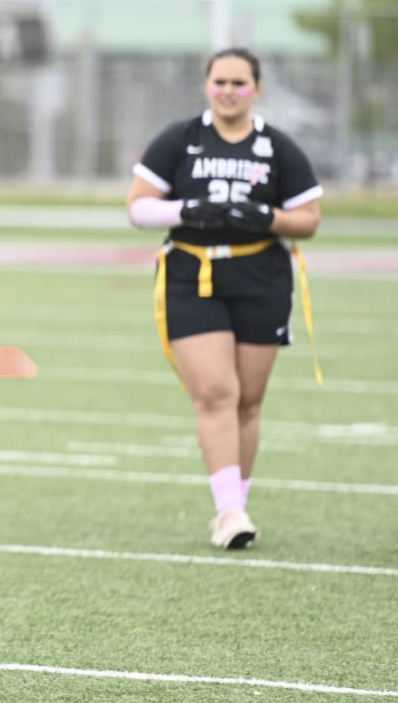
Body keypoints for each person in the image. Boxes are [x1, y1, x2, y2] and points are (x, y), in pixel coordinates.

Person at [125, 47, 322, 550]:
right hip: (193, 273)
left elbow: (309, 218)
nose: (229, 91)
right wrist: (190, 209)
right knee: (216, 392)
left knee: (249, 401)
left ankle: (236, 502)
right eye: (220, 82)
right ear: (206, 85)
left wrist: (265, 218)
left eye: (239, 83)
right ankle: (229, 511)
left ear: (256, 88)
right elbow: (139, 207)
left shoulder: (277, 146)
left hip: (261, 275)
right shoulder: (181, 138)